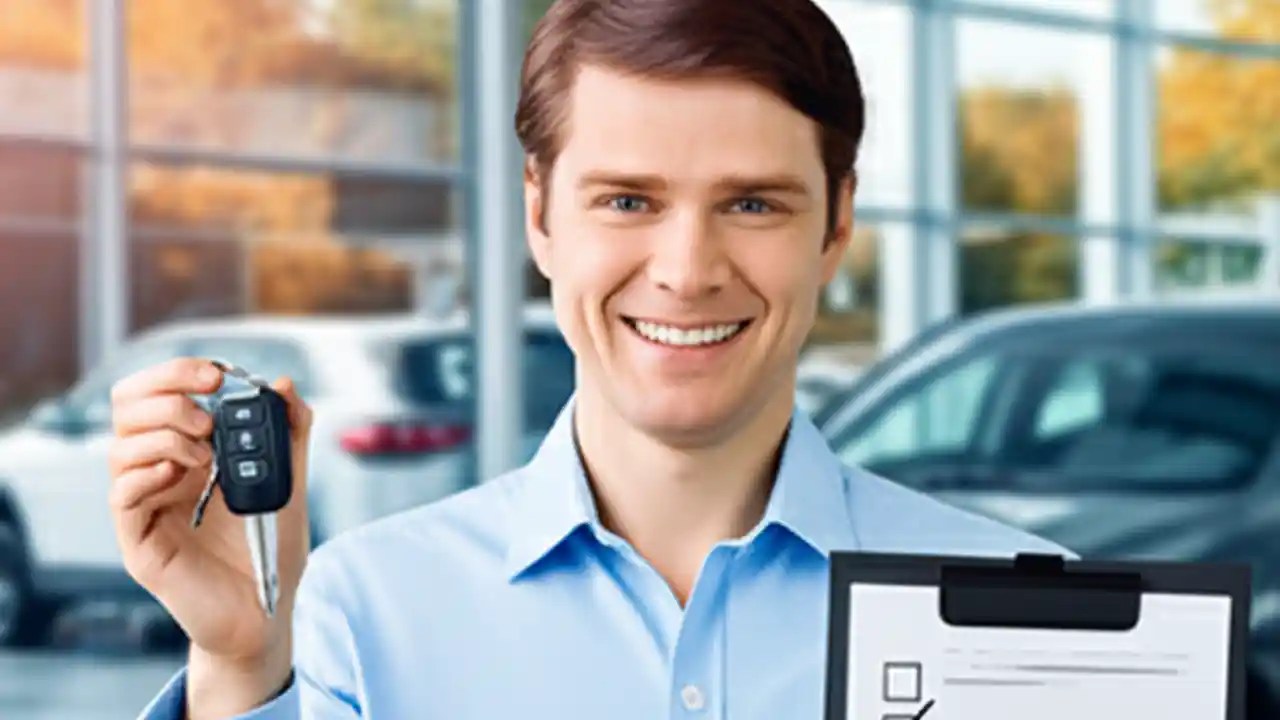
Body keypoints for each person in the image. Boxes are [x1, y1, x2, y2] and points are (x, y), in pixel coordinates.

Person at [109, 1, 1065, 717]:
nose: (687, 274)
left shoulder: (1032, 617)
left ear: (837, 224)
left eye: (752, 204)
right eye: (628, 202)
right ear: (539, 215)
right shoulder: (361, 616)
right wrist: (240, 666)